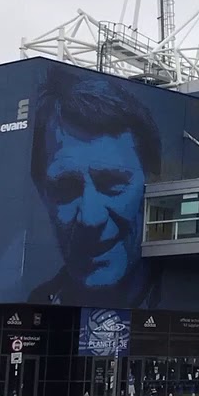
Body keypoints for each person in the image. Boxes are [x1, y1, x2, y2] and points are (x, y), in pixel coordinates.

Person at [27, 69, 163, 308]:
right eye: (66, 188)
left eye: (112, 185)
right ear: (42, 193)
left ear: (151, 188)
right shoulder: (31, 304)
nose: (91, 218)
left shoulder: (197, 298)